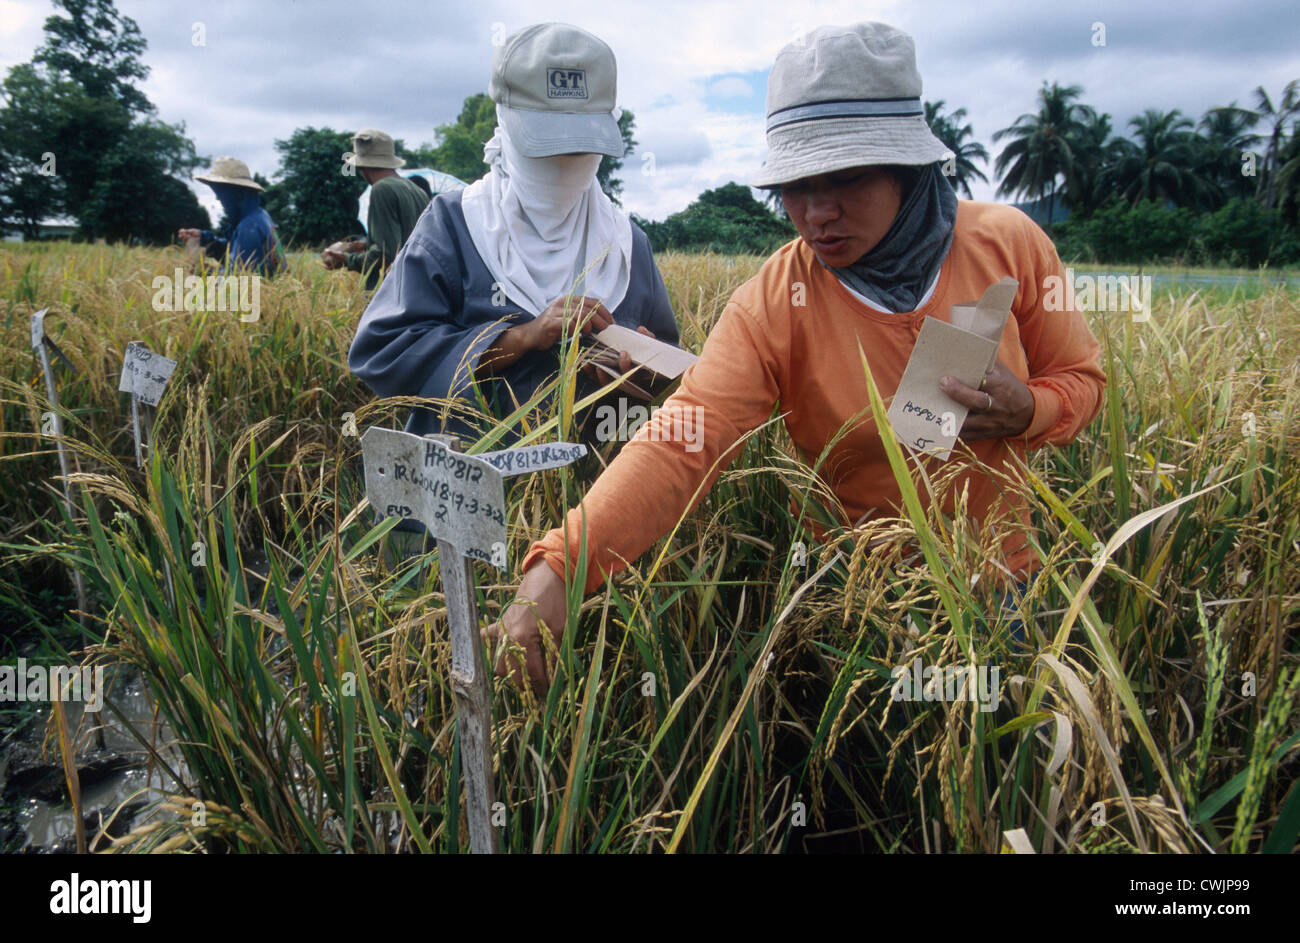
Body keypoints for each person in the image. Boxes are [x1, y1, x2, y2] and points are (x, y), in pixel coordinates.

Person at [490, 22, 1109, 693]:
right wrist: (560, 564)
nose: (816, 213)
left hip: (1001, 591)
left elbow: (1082, 380)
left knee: (997, 779)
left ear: (909, 168)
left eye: (843, 179)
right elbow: (683, 439)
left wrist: (1031, 410)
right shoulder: (775, 302)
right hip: (860, 603)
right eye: (793, 185)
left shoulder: (1007, 247)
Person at [347, 23, 679, 446]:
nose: (563, 165)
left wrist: (640, 368)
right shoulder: (455, 224)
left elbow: (668, 369)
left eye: (578, 150)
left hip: (597, 492)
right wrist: (522, 338)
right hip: (470, 492)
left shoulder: (626, 244)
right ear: (506, 126)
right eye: (545, 149)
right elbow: (384, 351)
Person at [322, 129, 430, 290]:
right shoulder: (416, 190)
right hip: (417, 286)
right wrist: (367, 244)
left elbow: (385, 255)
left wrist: (345, 259)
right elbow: (405, 240)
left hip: (393, 292)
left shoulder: (382, 189)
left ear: (362, 166)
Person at [178, 156, 282, 276]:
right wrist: (204, 238)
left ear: (235, 192)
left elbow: (241, 280)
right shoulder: (260, 215)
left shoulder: (248, 227)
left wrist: (202, 271)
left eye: (220, 192)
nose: (218, 198)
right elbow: (236, 252)